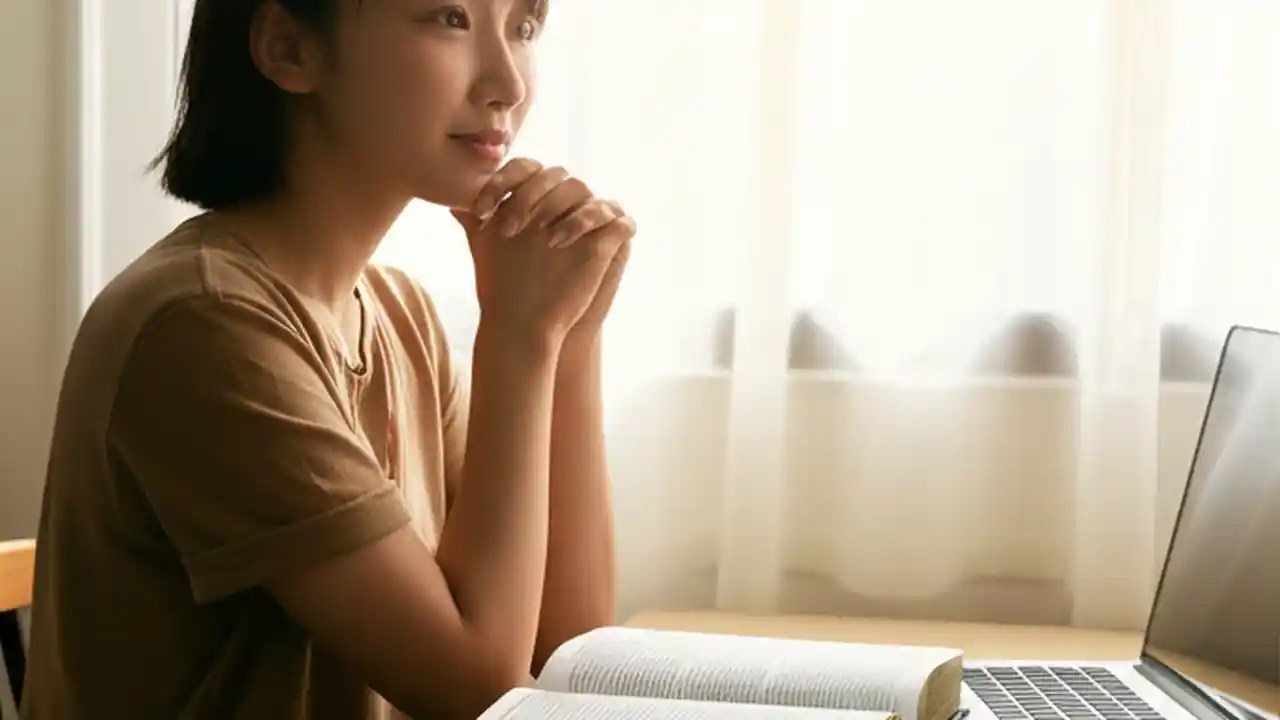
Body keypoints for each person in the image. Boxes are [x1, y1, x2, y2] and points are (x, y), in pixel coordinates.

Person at [22, 0, 635, 717]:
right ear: (288, 48)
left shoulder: (400, 315)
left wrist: (572, 336)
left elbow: (566, 658)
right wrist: (522, 335)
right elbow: (483, 695)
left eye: (523, 28)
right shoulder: (203, 322)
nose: (509, 84)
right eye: (449, 18)